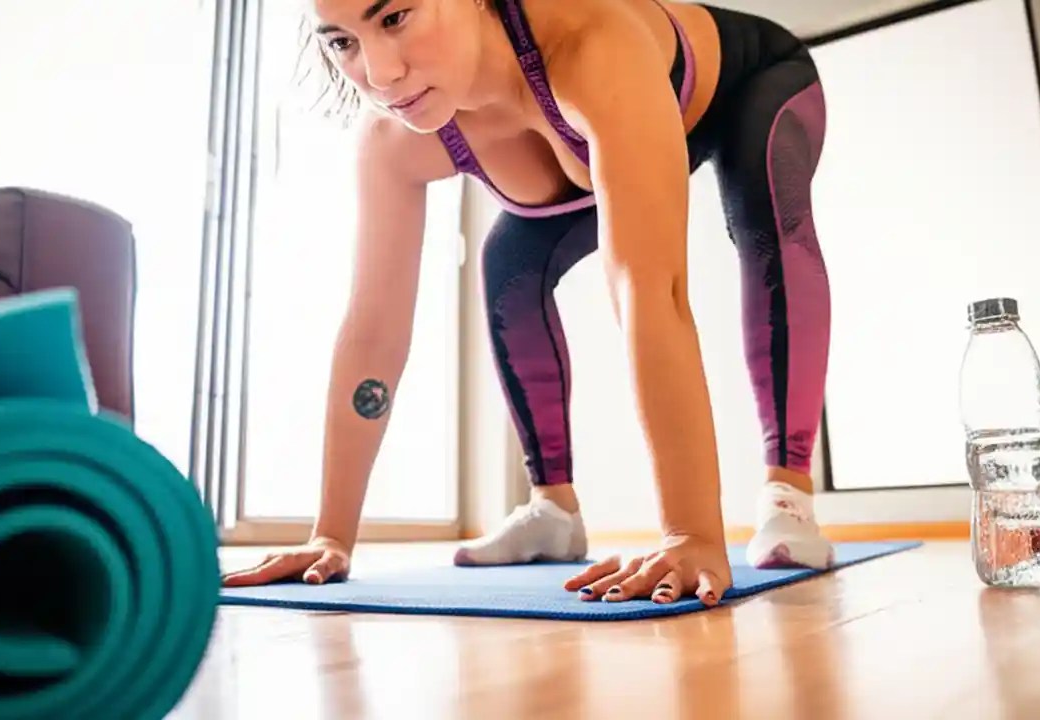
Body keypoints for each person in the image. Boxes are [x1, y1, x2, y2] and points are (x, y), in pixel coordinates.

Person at [221, 0, 834, 607]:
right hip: (591, 148)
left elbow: (650, 289)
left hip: (747, 87)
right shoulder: (393, 139)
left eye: (395, 18)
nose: (379, 74)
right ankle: (553, 509)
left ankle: (788, 491)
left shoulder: (591, 44)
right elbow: (374, 330)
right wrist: (331, 533)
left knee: (766, 223)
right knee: (509, 264)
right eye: (341, 43)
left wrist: (691, 534)